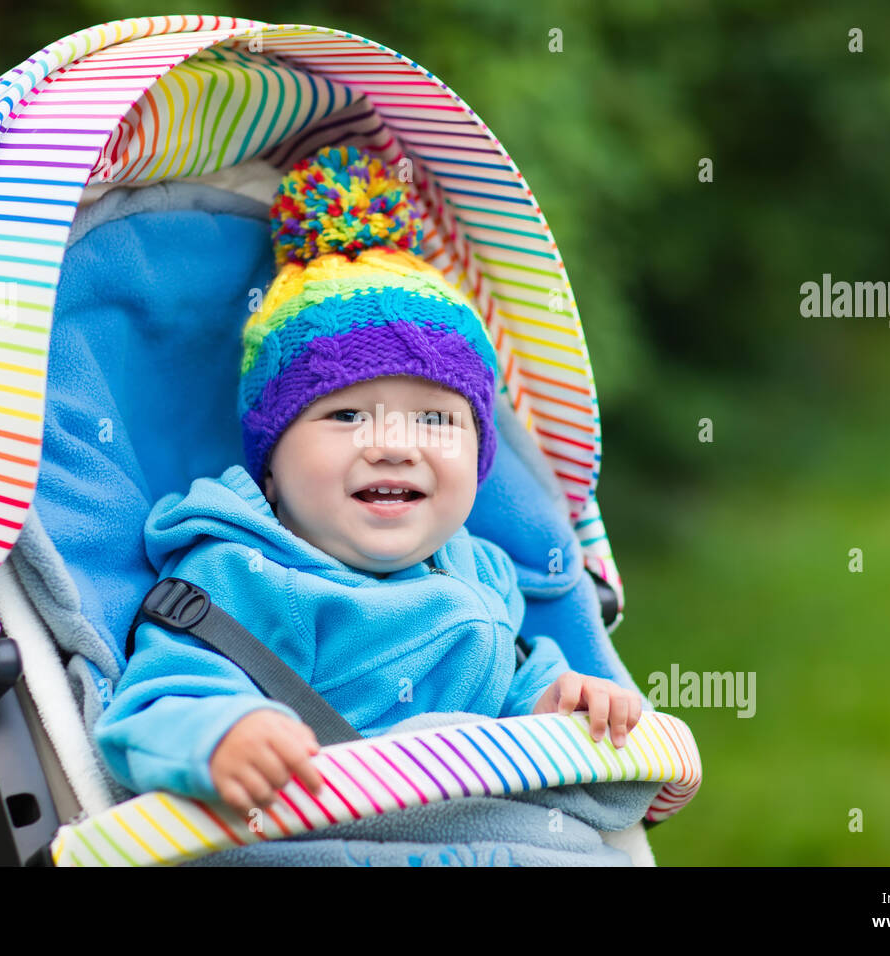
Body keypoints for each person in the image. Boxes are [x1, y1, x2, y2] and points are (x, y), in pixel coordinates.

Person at [93, 145, 644, 815]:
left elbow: (518, 686)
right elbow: (163, 698)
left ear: (479, 459)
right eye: (347, 414)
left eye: (436, 419)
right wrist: (221, 735)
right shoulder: (245, 573)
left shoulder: (487, 575)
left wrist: (566, 704)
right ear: (271, 464)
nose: (391, 446)